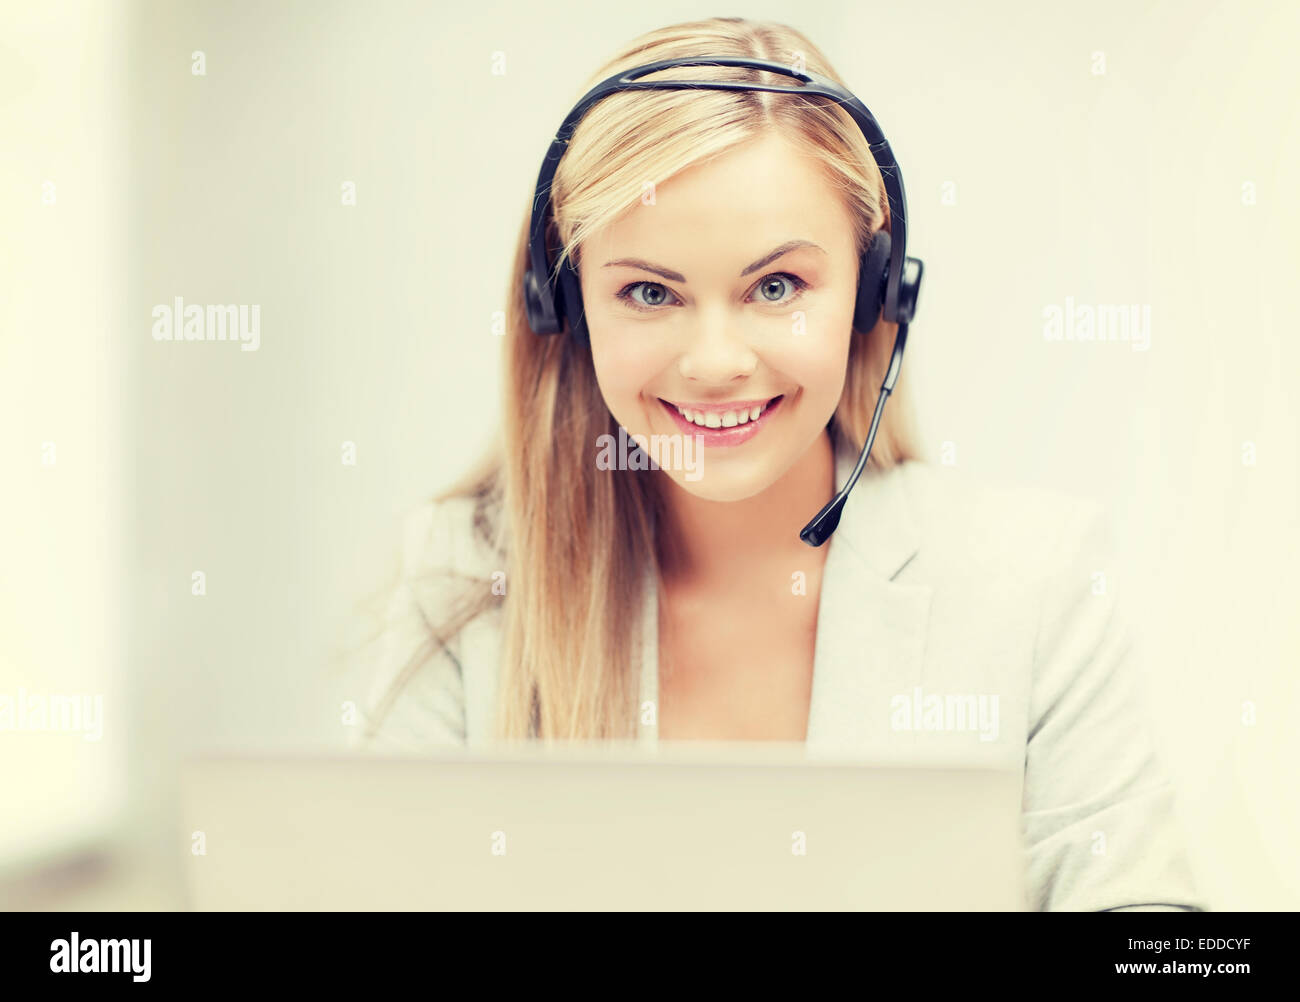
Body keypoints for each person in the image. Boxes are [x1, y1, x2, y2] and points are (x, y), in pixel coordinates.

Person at [351, 16, 1204, 912]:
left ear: (875, 295)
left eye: (776, 287)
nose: (716, 360)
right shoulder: (461, 577)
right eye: (650, 291)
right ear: (563, 306)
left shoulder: (1035, 585)